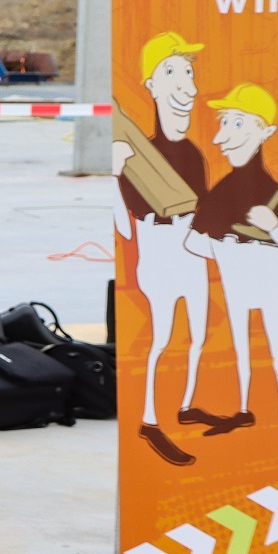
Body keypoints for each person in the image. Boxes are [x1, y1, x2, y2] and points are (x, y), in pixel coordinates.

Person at [186, 83, 278, 439]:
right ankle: (244, 409)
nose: (222, 136)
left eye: (238, 123)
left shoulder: (276, 195)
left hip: (271, 279)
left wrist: (275, 228)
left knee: (277, 347)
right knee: (241, 345)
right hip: (237, 280)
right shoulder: (221, 193)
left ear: (265, 132)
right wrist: (230, 249)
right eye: (224, 122)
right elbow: (194, 242)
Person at [112, 31, 215, 466]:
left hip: (190, 249)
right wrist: (116, 177)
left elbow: (204, 213)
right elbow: (126, 230)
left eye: (188, 73)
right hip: (159, 250)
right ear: (151, 87)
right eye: (171, 73)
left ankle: (187, 404)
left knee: (198, 335)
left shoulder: (193, 155)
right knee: (162, 338)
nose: (185, 87)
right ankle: (151, 420)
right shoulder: (138, 157)